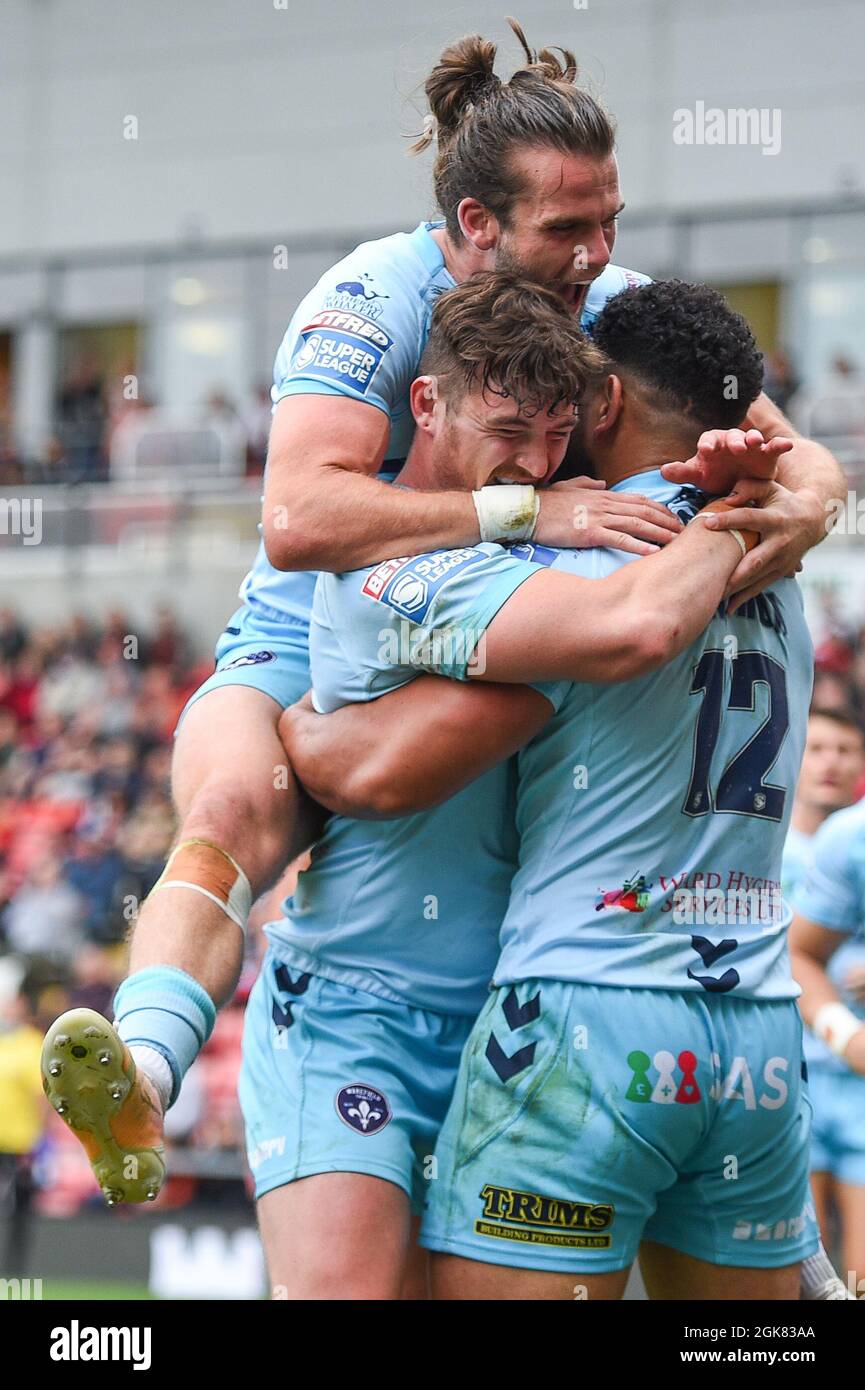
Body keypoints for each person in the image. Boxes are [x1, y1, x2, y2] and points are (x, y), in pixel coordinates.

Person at [44, 19, 843, 1205]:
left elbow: (796, 450)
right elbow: (297, 520)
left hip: (503, 622)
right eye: (569, 226)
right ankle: (148, 1074)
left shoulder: (608, 297)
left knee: (437, 783)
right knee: (234, 800)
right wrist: (528, 513)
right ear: (478, 226)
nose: (598, 252)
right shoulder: (372, 293)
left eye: (608, 219)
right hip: (317, 626)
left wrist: (816, 501)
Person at [283, 279, 817, 1300]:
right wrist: (748, 499)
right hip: (757, 1026)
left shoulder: (584, 560)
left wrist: (300, 732)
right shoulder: (784, 550)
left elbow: (378, 763)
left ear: (602, 404)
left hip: (584, 1012)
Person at [787, 711, 865, 1293]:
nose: (831, 762)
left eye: (845, 748)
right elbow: (798, 955)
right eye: (816, 748)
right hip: (794, 1073)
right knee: (793, 1279)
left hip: (859, 1092)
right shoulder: (759, 847)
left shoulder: (845, 839)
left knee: (858, 1277)